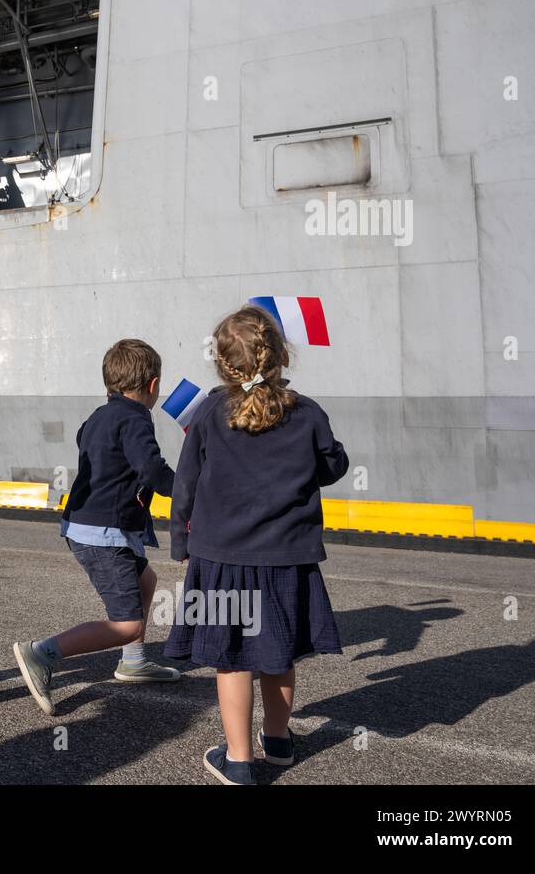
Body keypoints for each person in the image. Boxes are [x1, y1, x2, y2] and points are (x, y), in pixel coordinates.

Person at [163, 305, 349, 785]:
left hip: (222, 556)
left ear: (222, 363)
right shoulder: (306, 411)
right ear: (281, 355)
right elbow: (332, 466)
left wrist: (179, 539)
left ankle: (240, 761)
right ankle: (280, 742)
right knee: (278, 654)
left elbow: (186, 481)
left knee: (232, 660)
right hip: (288, 556)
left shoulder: (208, 411)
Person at [14, 339, 180, 717]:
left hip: (90, 526)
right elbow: (151, 470)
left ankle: (134, 661)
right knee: (125, 624)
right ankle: (41, 653)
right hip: (104, 533)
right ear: (152, 386)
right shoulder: (136, 420)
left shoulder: (98, 417)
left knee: (146, 581)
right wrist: (188, 490)